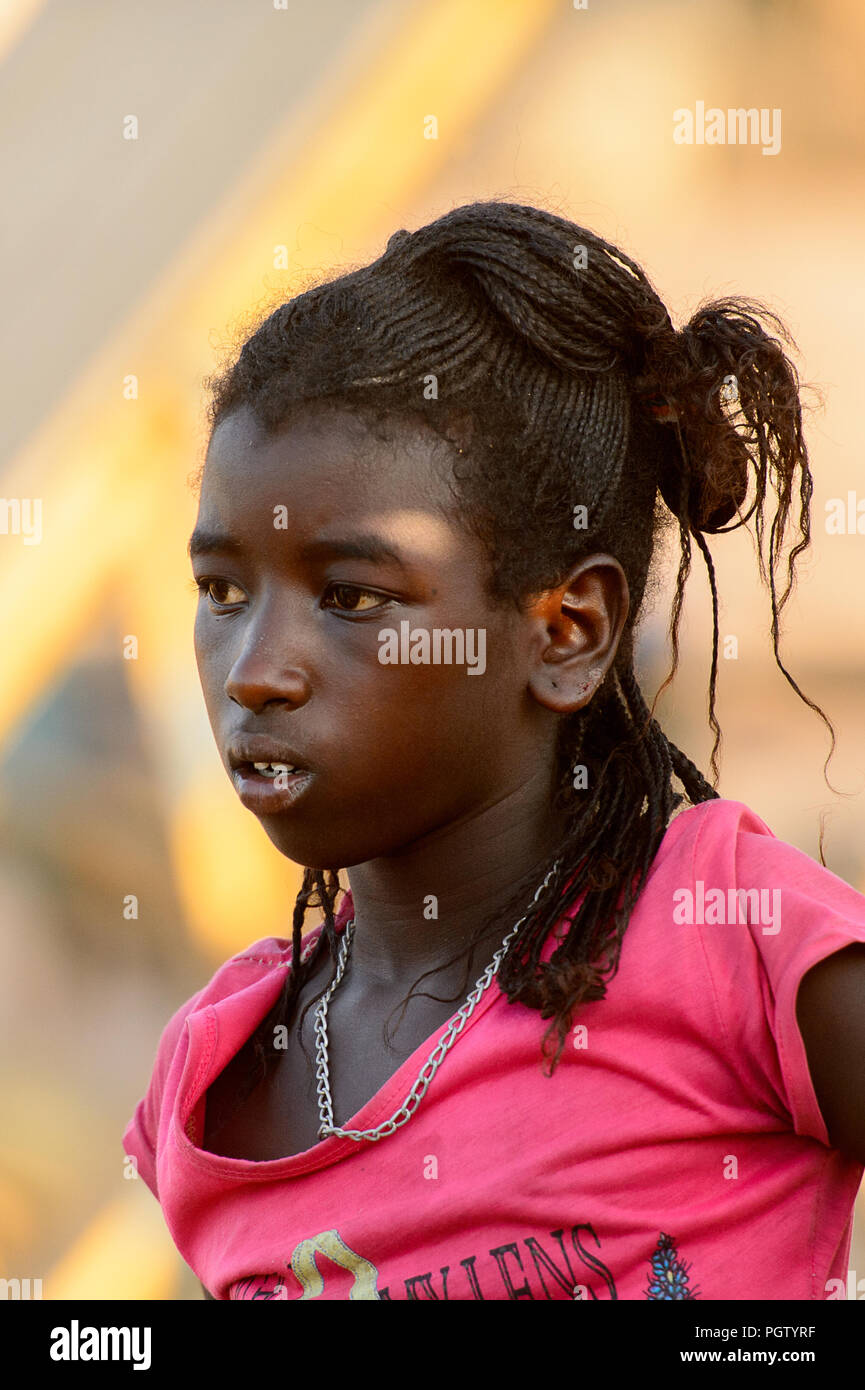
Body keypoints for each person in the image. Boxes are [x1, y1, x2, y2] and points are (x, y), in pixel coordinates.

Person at [122, 201, 865, 1301]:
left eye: (349, 595)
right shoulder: (220, 1078)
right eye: (222, 590)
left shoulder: (726, 937)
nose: (253, 670)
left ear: (566, 632)